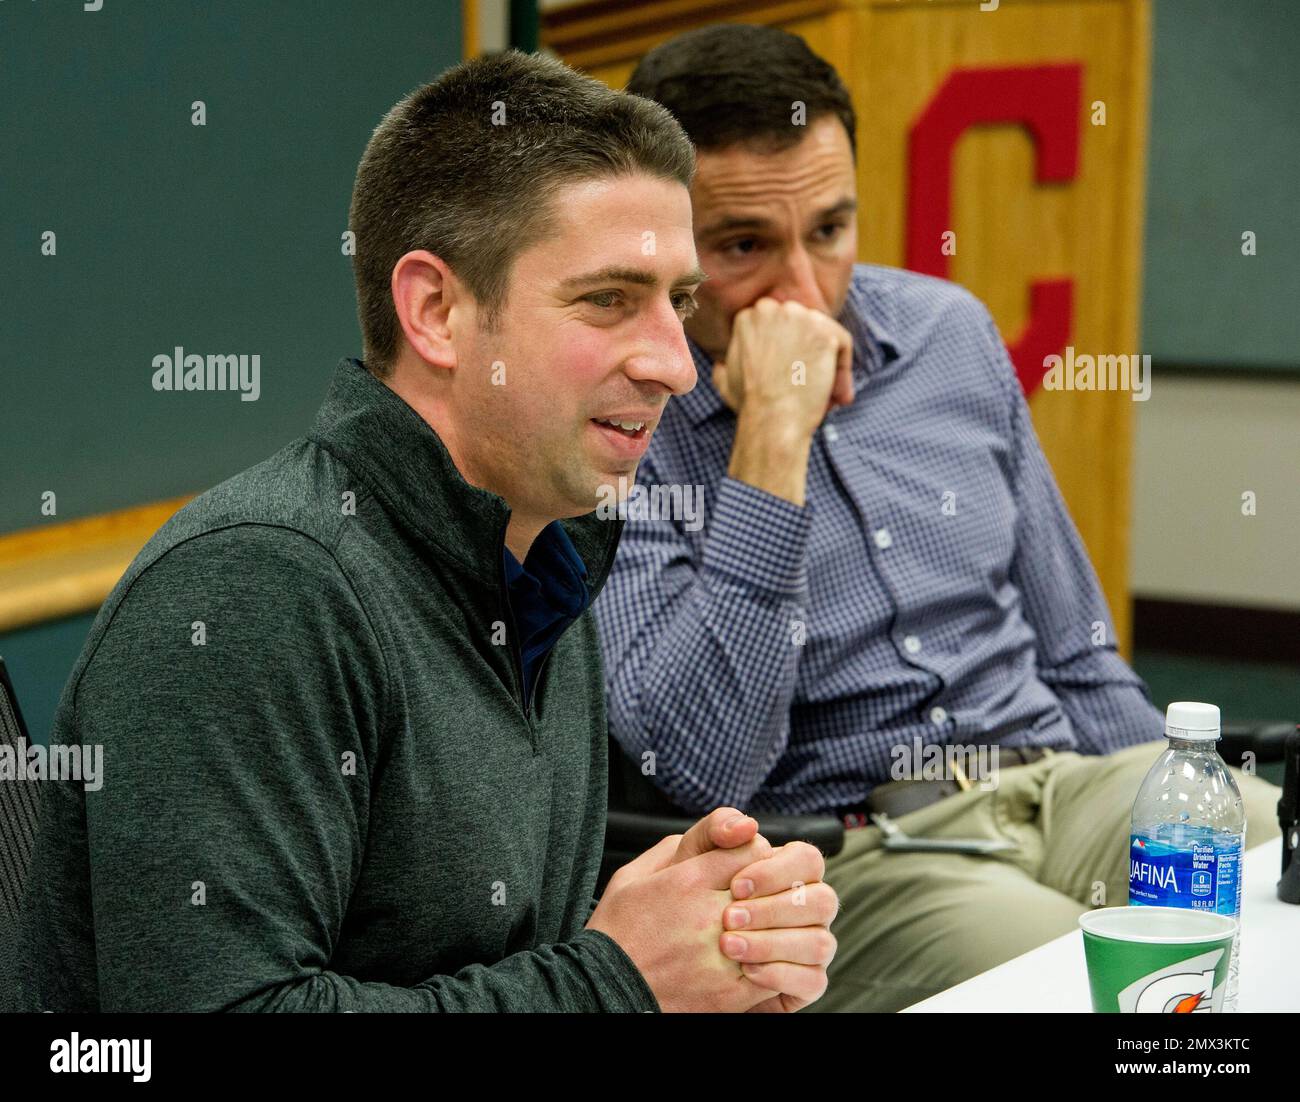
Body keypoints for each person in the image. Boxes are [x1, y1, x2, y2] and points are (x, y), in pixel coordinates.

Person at [16, 49, 838, 1014]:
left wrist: (712, 927)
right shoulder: (252, 593)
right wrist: (617, 981)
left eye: (679, 301)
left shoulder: (547, 554)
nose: (677, 365)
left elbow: (493, 950)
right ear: (437, 312)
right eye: (609, 299)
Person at [594, 24, 1282, 1012]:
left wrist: (1170, 795)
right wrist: (770, 443)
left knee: (1264, 887)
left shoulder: (946, 333)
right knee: (1096, 985)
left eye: (828, 231)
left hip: (1060, 785)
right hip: (855, 846)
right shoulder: (629, 421)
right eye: (744, 245)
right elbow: (703, 768)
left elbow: (1077, 654)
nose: (800, 289)